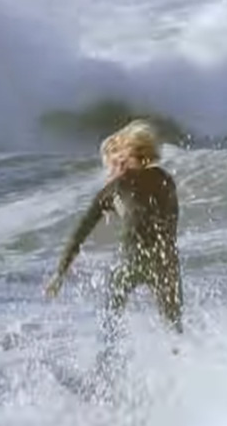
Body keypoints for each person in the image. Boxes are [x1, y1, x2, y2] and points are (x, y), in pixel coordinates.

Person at [44, 120, 183, 342]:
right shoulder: (163, 180)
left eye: (114, 163)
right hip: (163, 262)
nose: (111, 170)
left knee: (111, 320)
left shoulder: (116, 190)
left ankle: (108, 367)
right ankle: (180, 362)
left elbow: (80, 234)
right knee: (173, 328)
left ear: (127, 158)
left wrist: (60, 273)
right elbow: (153, 215)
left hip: (136, 262)